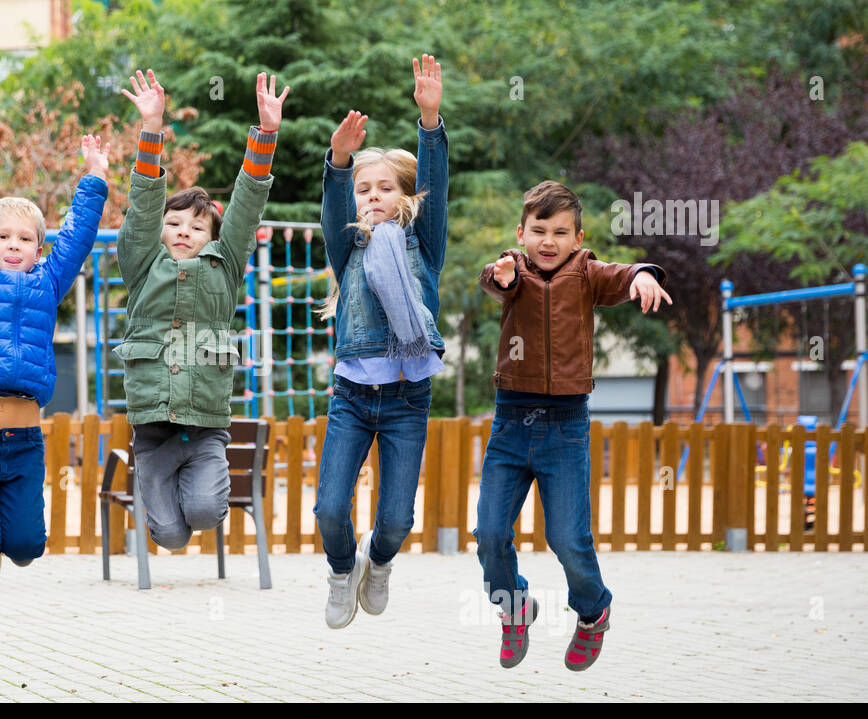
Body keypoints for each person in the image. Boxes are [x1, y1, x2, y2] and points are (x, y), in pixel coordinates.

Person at [476, 179, 672, 670]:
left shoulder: (587, 274)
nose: (548, 241)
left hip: (565, 428)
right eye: (538, 230)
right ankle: (514, 606)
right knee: (489, 531)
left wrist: (644, 275)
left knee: (567, 538)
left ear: (578, 238)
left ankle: (592, 611)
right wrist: (499, 275)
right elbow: (495, 280)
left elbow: (623, 274)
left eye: (560, 232)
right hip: (510, 424)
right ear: (521, 233)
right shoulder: (512, 271)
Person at [0, 95, 109, 584]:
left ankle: (9, 549)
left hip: (26, 439)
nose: (14, 244)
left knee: (29, 547)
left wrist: (93, 179)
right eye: (3, 237)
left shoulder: (48, 284)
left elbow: (75, 241)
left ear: (38, 248)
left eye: (25, 238)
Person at [114, 69, 286, 553]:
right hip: (152, 422)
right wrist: (152, 128)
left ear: (213, 238)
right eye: (175, 223)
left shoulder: (225, 264)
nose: (185, 231)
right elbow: (144, 206)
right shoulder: (143, 262)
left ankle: (177, 464)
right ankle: (153, 464)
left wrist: (265, 135)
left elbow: (248, 204)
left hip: (205, 423)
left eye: (197, 226)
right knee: (168, 536)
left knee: (207, 513)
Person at [313, 55, 448, 629]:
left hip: (407, 400)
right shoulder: (349, 250)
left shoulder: (424, 245)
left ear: (405, 196)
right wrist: (341, 162)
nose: (371, 196)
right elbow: (333, 209)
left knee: (395, 520)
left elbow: (438, 188)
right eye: (363, 189)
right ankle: (342, 569)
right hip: (351, 396)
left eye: (383, 187)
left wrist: (430, 117)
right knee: (328, 509)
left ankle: (380, 560)